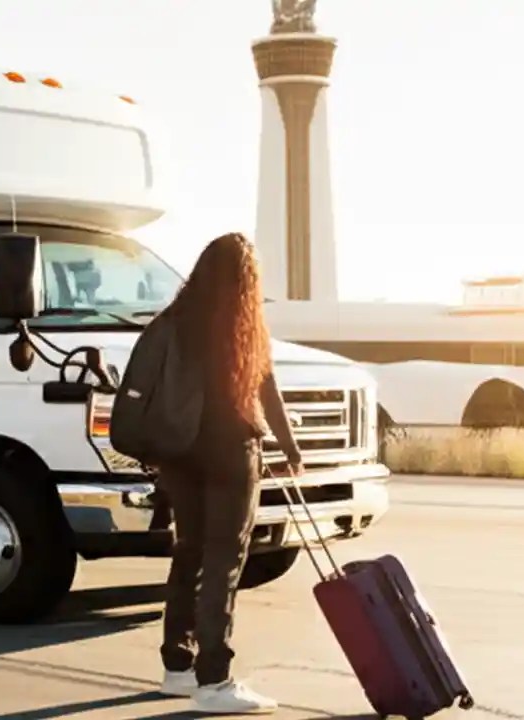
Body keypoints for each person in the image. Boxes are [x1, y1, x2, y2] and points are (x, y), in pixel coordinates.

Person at [154, 232, 304, 714]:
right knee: (224, 560)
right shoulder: (244, 322)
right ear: (247, 279)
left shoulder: (174, 320)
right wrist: (289, 445)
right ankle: (214, 681)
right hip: (229, 450)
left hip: (178, 451)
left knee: (189, 552)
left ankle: (177, 668)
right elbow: (266, 386)